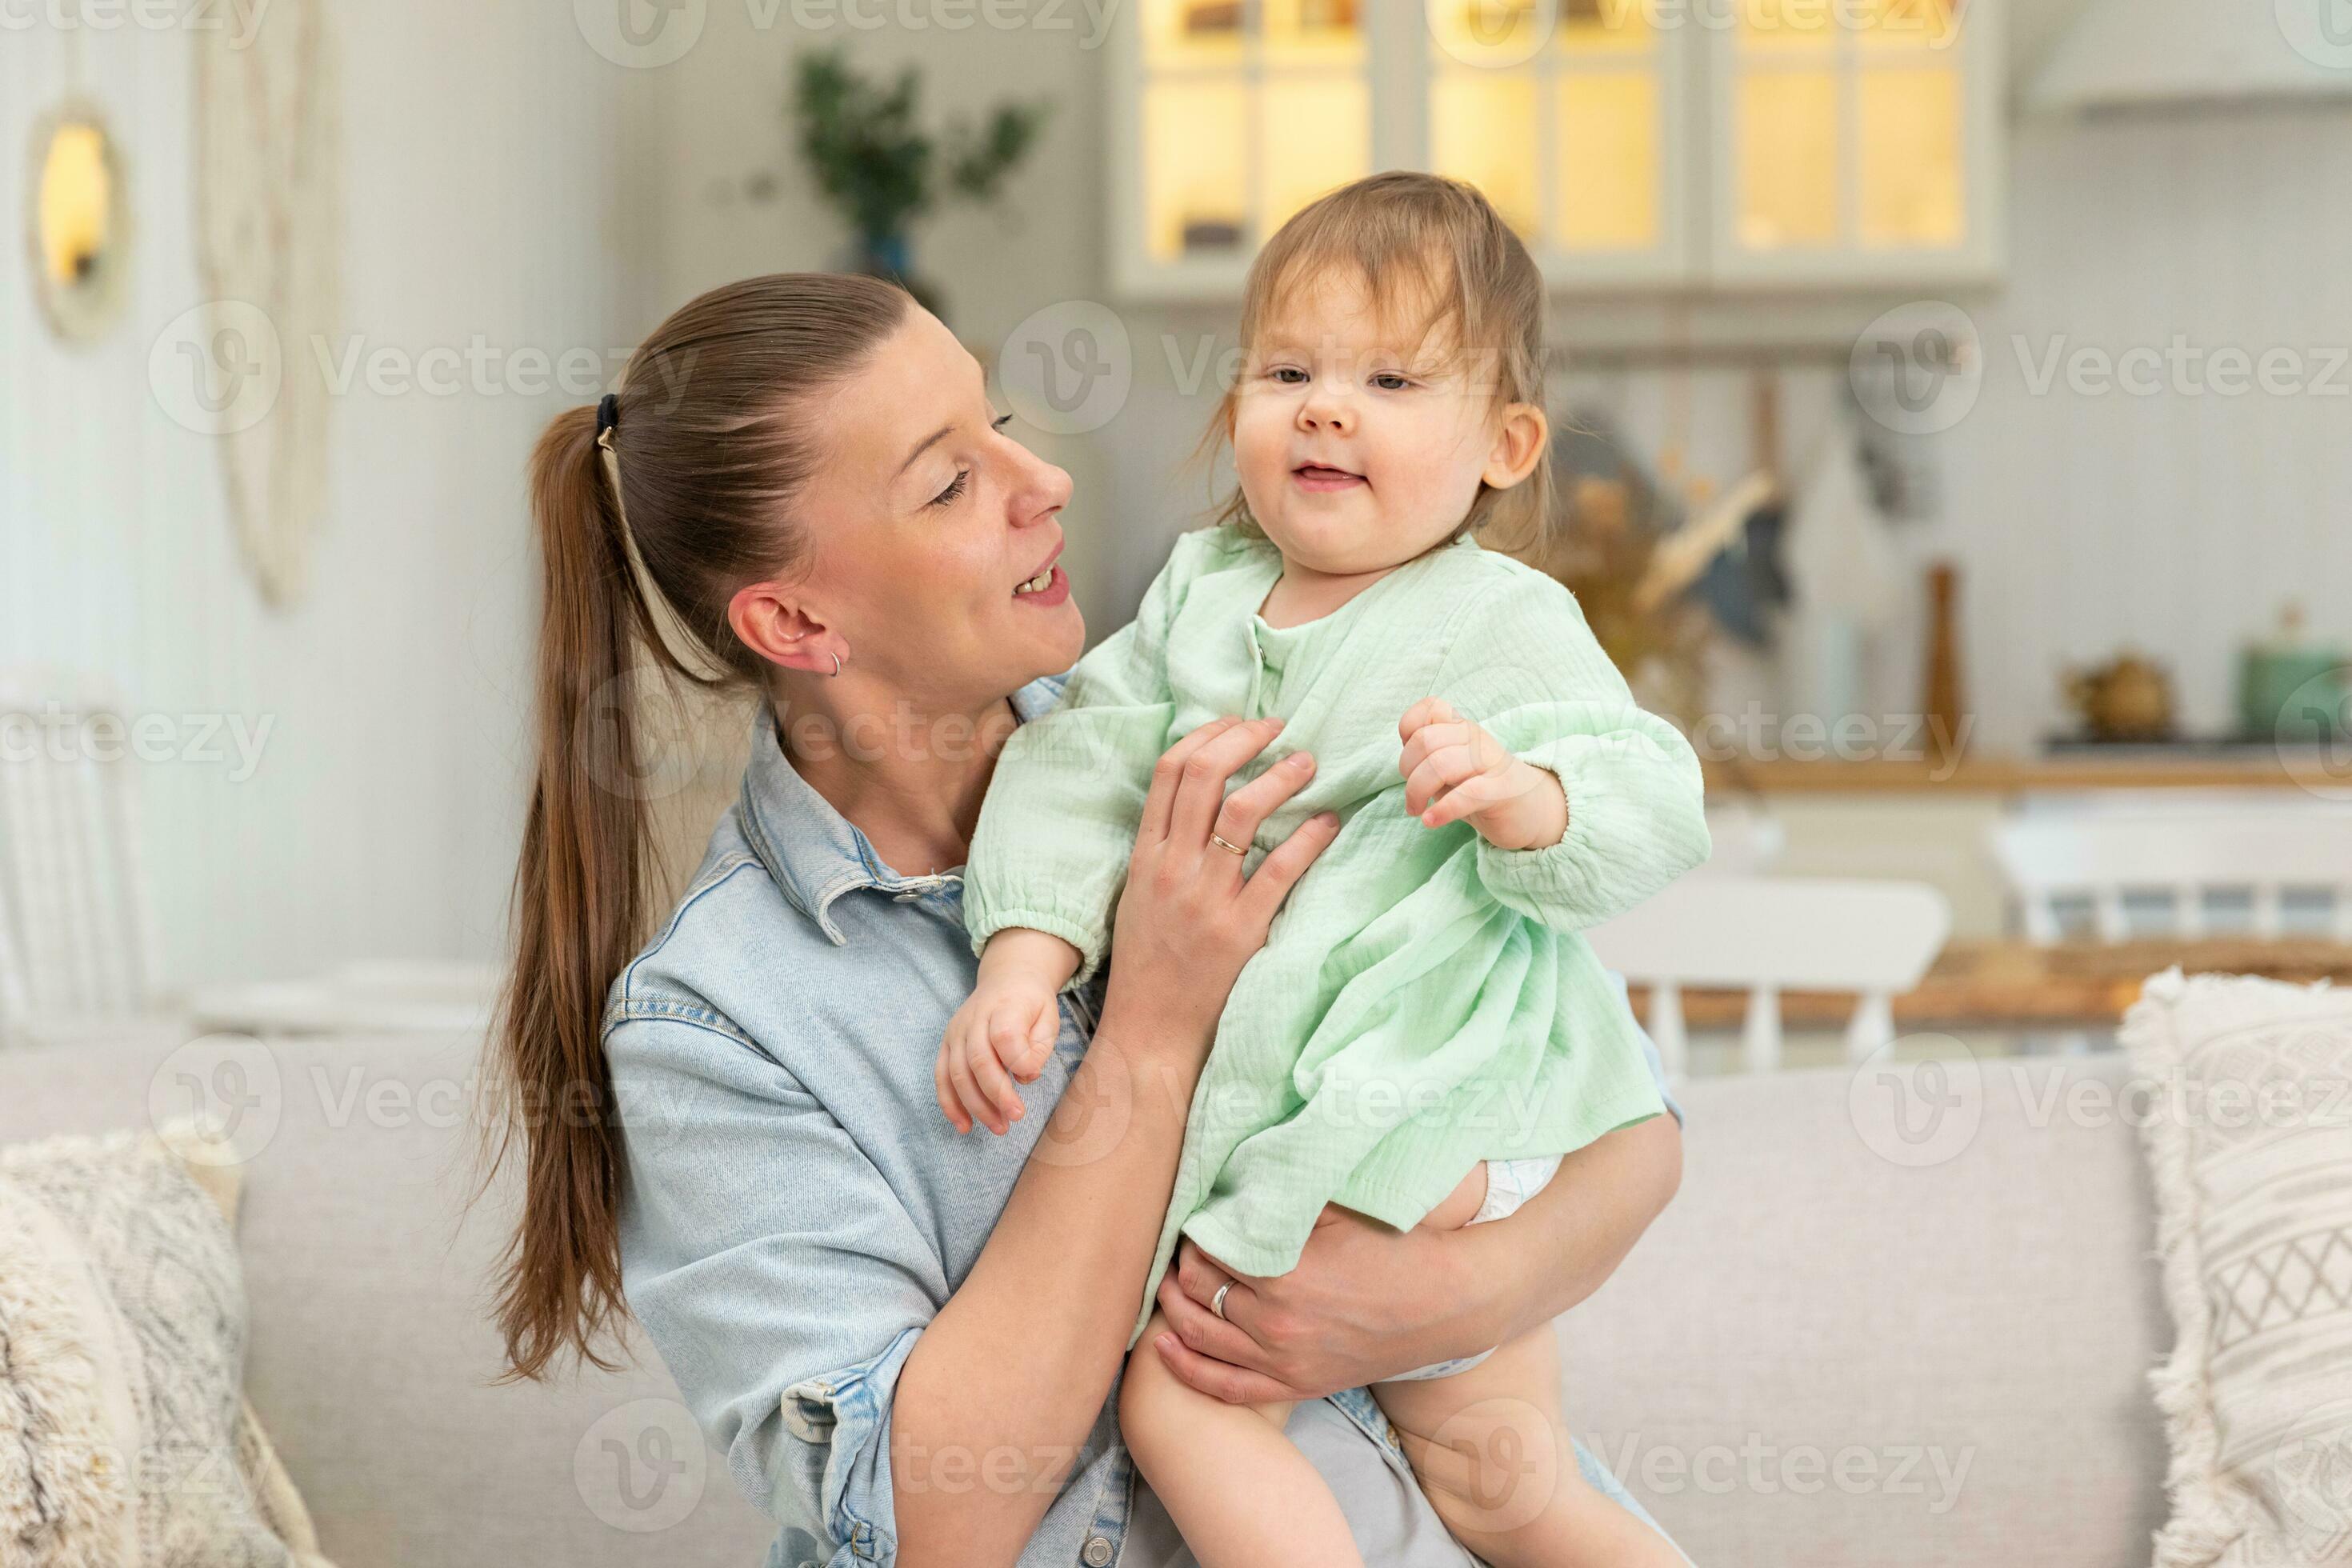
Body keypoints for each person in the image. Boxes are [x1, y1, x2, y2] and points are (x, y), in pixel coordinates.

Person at [487, 269, 1690, 1568]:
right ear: (793, 619)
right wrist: (1152, 1030)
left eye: (1000, 423)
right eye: (950, 483)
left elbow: (1625, 1117)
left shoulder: (1217, 723)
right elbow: (934, 1516)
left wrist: (1444, 1298)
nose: (1044, 482)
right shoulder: (720, 1022)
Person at [941, 175, 1705, 1568]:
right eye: (1287, 371)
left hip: (1420, 1086)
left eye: (1392, 380)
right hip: (1410, 1124)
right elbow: (1080, 764)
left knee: (1183, 1391)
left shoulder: (1502, 618)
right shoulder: (1199, 593)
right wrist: (1022, 962)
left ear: (1507, 444)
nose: (1326, 409)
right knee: (1508, 1491)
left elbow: (1650, 790)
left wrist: (1533, 801)